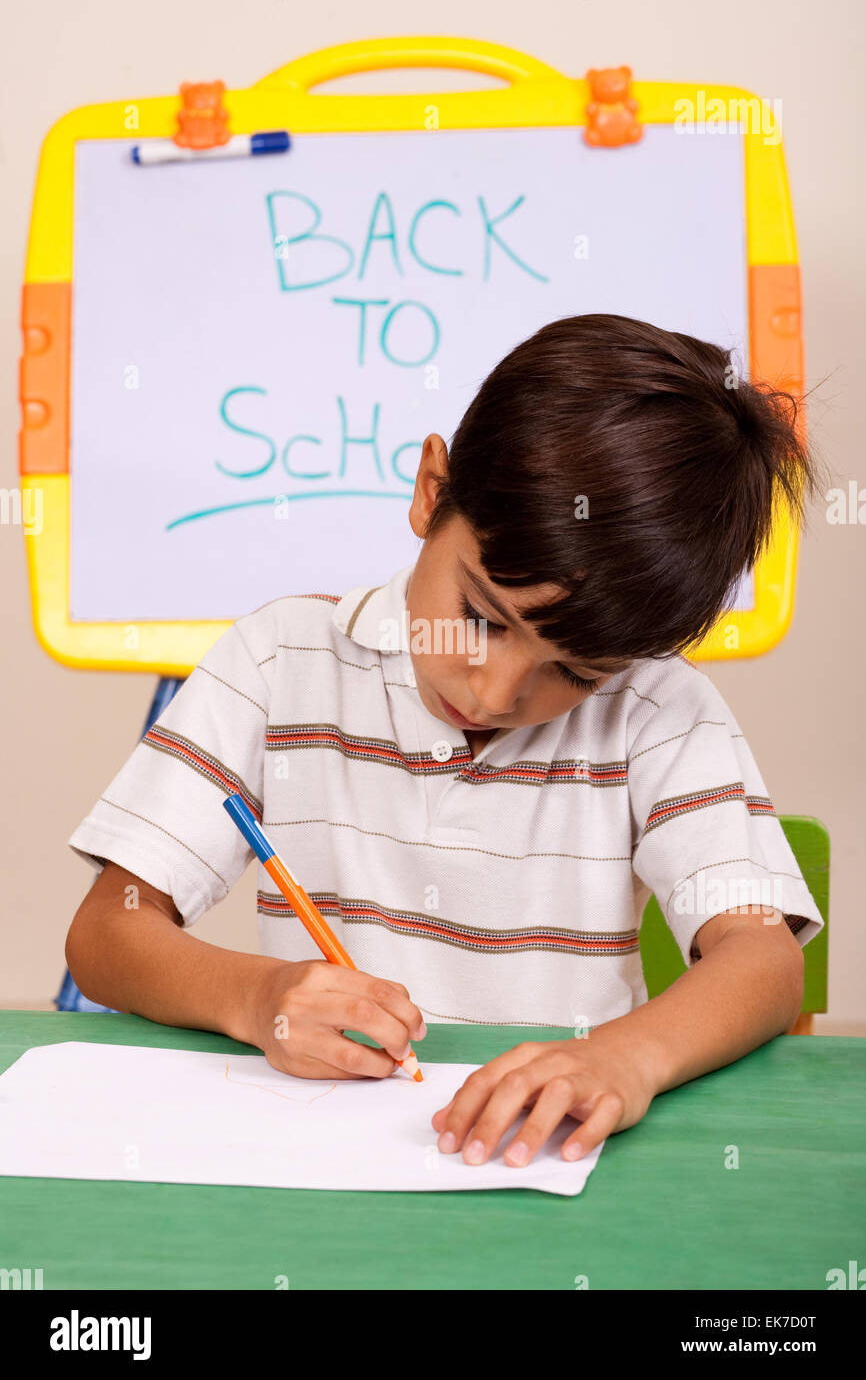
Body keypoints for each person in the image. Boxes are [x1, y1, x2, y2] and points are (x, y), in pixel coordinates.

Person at [65, 313, 826, 1170]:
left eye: (573, 674)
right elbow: (105, 936)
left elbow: (763, 959)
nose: (494, 691)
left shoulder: (658, 709)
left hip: (537, 1161)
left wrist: (625, 1056)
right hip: (314, 1159)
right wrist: (261, 996)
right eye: (482, 618)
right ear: (433, 490)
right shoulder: (281, 660)